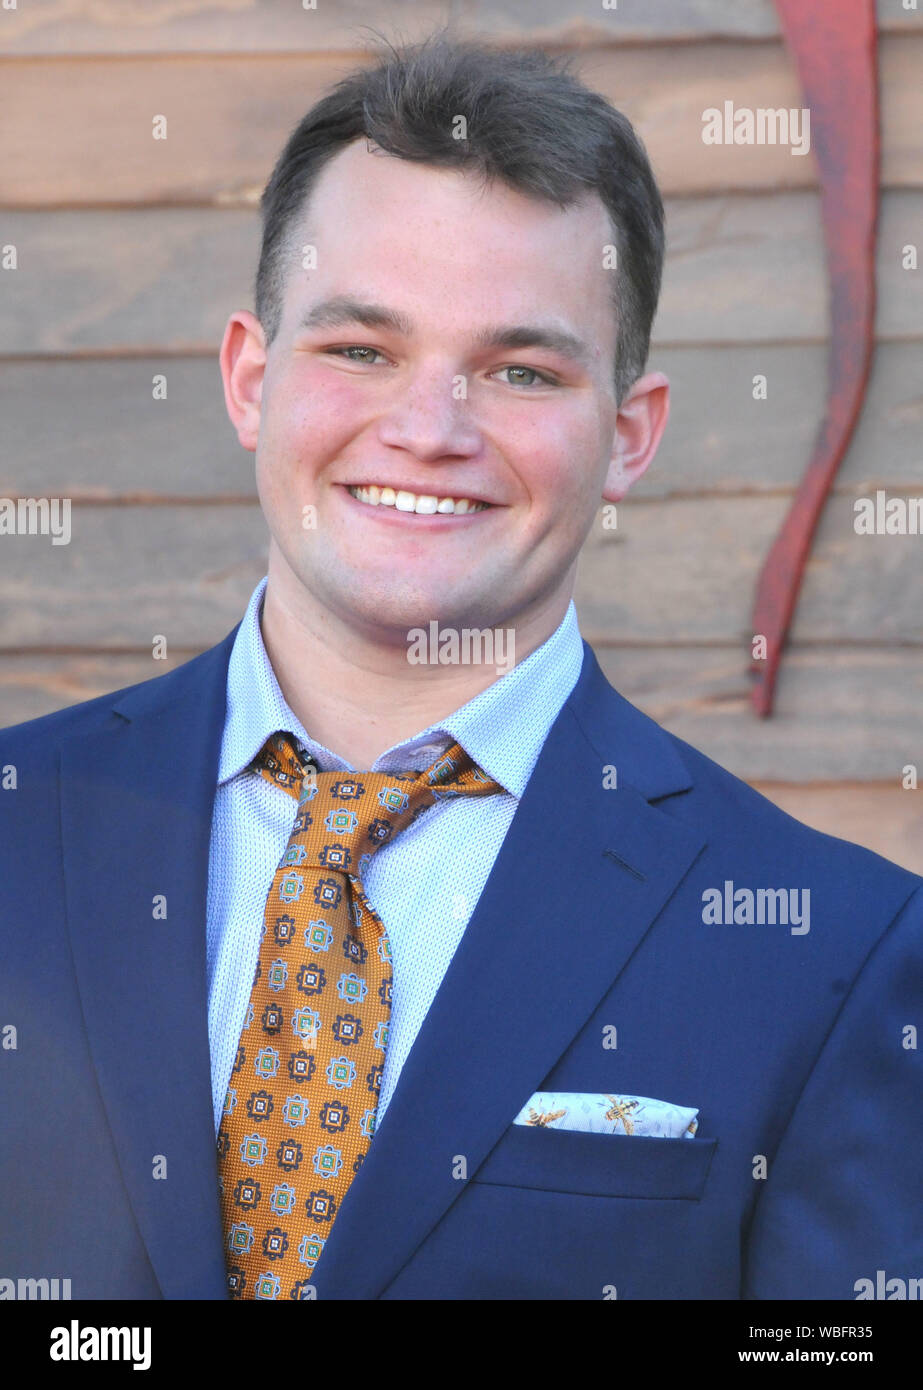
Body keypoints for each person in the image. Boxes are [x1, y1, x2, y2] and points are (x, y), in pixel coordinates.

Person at [1, 32, 920, 1303]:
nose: (428, 430)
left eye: (519, 370)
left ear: (630, 433)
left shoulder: (836, 946)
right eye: (361, 350)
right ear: (249, 380)